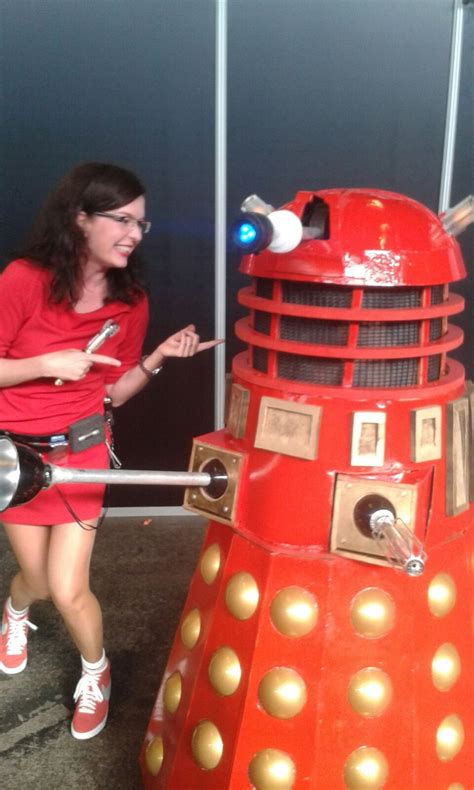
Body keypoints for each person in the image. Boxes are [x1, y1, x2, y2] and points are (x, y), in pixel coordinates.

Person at [0, 162, 221, 740]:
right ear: (80, 219)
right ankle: (15, 612)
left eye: (142, 224)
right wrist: (45, 364)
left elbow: (114, 391)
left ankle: (96, 673)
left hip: (80, 454)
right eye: (122, 219)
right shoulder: (23, 280)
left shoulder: (130, 301)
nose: (134, 233)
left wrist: (158, 358)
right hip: (13, 458)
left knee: (69, 588)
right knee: (38, 582)